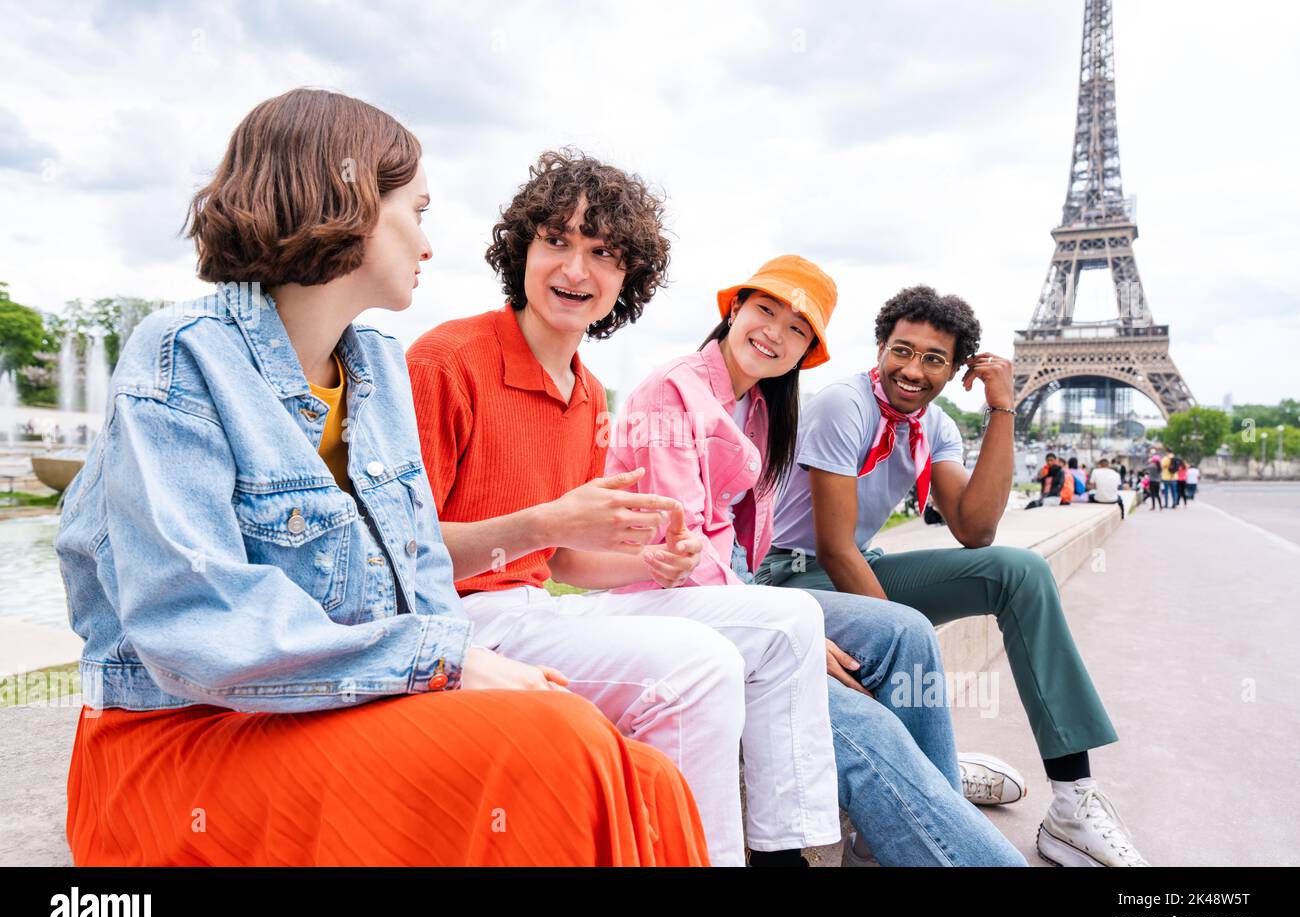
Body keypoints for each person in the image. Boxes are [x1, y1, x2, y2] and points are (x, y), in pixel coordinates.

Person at [52, 90, 709, 867]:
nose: (429, 244)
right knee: (555, 747)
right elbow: (198, 622)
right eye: (418, 210)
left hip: (337, 710)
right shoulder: (184, 356)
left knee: (647, 776)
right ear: (352, 200)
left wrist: (470, 669)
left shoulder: (379, 370)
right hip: (186, 734)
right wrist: (449, 660)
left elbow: (422, 579)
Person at [405, 150, 840, 866]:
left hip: (534, 608)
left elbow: (564, 560)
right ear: (521, 248)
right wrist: (547, 523)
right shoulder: (447, 359)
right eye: (557, 241)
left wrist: (651, 562)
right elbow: (399, 555)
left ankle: (787, 851)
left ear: (626, 279)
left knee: (794, 619)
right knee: (700, 668)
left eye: (603, 254)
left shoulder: (585, 393)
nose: (576, 270)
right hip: (462, 622)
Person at [604, 255, 1027, 866]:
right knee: (869, 730)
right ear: (734, 310)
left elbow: (975, 527)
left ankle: (919, 826)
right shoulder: (673, 393)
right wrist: (790, 631)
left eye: (798, 329)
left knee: (906, 630)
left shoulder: (764, 407)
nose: (776, 332)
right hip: (669, 607)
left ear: (807, 351)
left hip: (735, 596)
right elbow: (681, 557)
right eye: (765, 310)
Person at [756, 285, 1149, 866]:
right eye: (901, 350)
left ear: (957, 369)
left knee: (1019, 571)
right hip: (790, 576)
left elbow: (976, 530)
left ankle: (1072, 799)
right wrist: (903, 637)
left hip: (858, 569)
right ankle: (933, 781)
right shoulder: (844, 405)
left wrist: (1002, 408)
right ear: (880, 348)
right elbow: (836, 548)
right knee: (904, 633)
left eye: (933, 359)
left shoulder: (935, 428)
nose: (912, 370)